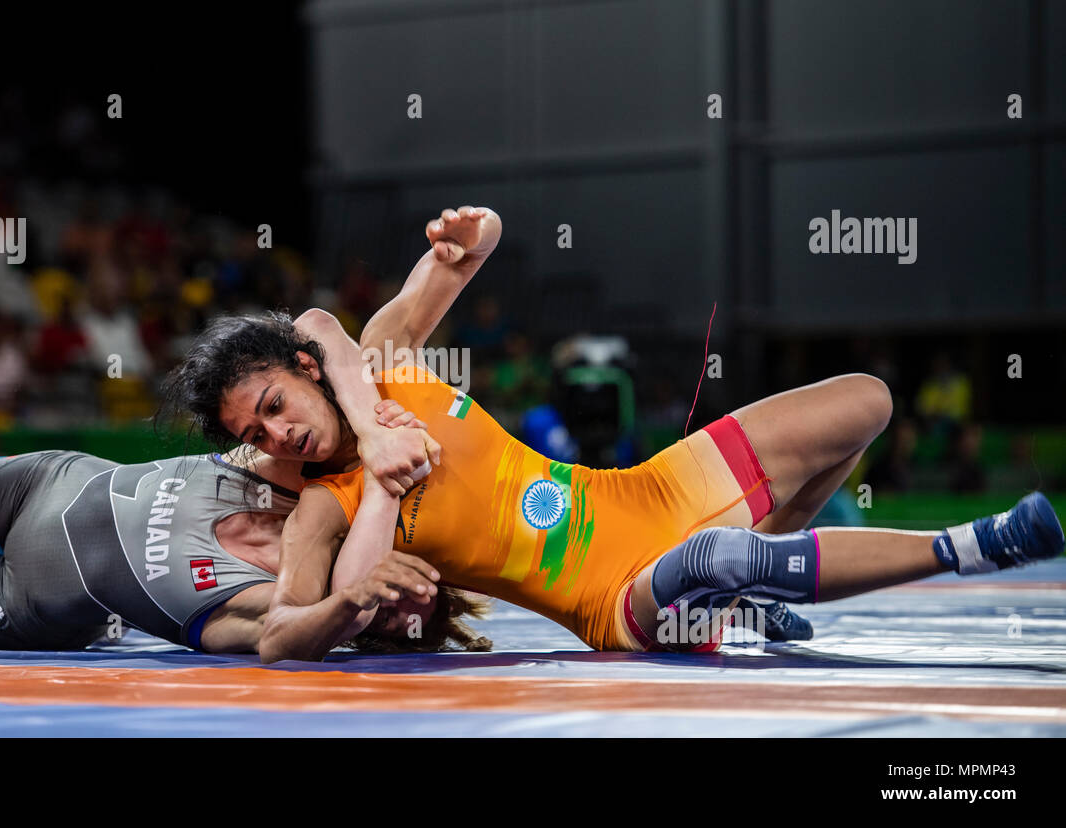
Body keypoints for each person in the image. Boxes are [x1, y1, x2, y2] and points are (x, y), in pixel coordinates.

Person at [171, 206, 1064, 662]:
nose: (279, 435)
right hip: (616, 600)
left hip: (643, 493)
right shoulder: (325, 509)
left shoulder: (380, 362)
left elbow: (343, 313)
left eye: (276, 404)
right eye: (258, 433)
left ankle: (761, 573)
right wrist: (351, 567)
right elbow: (292, 623)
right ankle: (973, 546)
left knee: (863, 402)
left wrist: (474, 239)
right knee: (716, 557)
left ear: (305, 371)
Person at [0, 310, 438, 653]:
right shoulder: (296, 454)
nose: (276, 434)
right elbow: (322, 328)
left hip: (32, 602)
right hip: (43, 483)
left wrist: (349, 605)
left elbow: (288, 636)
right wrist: (374, 433)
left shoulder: (290, 591)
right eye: (258, 426)